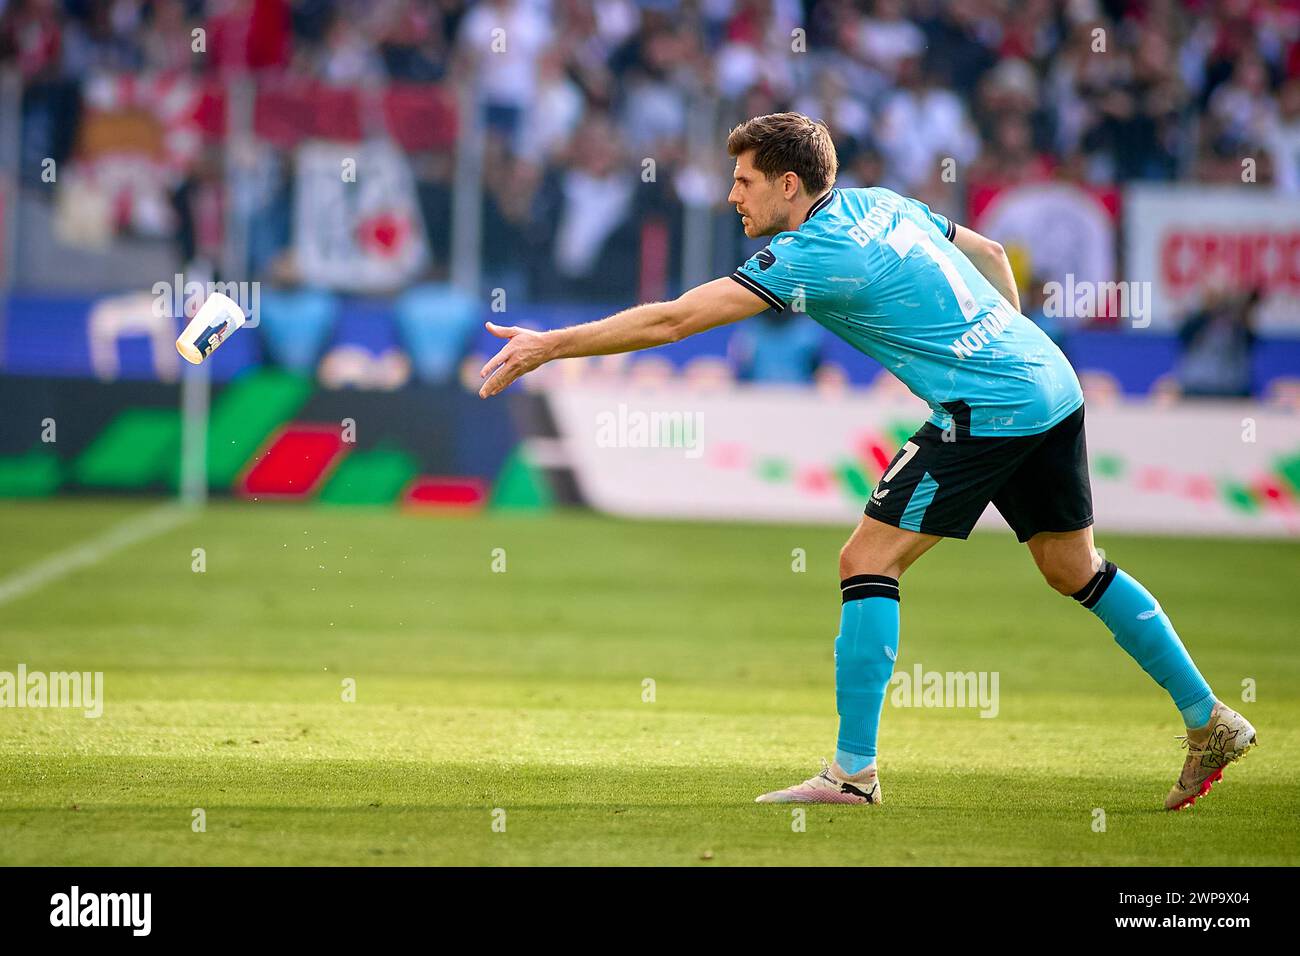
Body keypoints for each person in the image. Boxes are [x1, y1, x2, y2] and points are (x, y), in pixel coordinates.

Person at [477, 112, 1257, 810]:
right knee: (1073, 568)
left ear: (789, 184)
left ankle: (853, 774)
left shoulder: (813, 254)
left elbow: (677, 319)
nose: (731, 196)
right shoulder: (879, 202)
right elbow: (985, 249)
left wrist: (552, 344)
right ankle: (1208, 717)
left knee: (865, 558)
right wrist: (1008, 341)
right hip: (1049, 379)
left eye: (743, 181)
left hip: (988, 408)